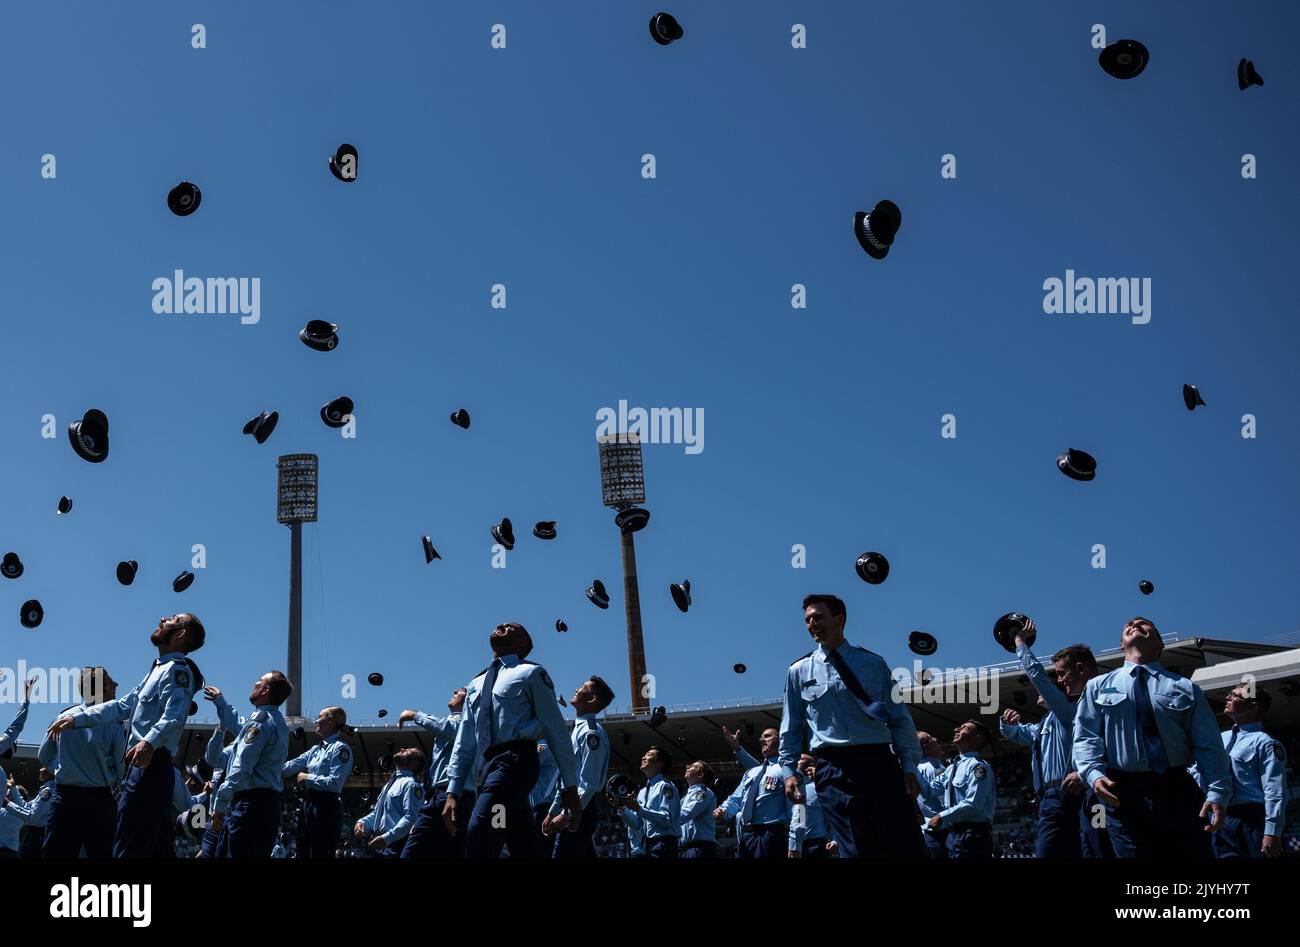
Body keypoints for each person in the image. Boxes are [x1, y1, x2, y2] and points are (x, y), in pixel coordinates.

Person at [45, 614, 205, 858]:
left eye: (173, 619)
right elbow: (120, 707)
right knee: (157, 847)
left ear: (181, 634)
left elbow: (173, 716)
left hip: (148, 764)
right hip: (145, 766)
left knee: (129, 847)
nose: (163, 618)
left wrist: (148, 742)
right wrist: (78, 720)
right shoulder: (158, 669)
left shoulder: (176, 671)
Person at [779, 594, 924, 857]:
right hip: (833, 769)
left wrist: (910, 765)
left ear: (840, 619)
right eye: (808, 620)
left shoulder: (873, 663)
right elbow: (790, 727)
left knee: (904, 844)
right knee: (855, 849)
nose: (812, 623)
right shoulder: (798, 671)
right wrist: (789, 771)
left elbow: (899, 718)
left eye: (818, 617)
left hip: (879, 762)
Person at [1073, 617, 1231, 858]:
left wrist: (1217, 792)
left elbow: (1209, 745)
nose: (1134, 624)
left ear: (1159, 644)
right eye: (1128, 625)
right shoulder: (1097, 686)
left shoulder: (1186, 688)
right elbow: (1086, 738)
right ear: (1121, 645)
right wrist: (1093, 775)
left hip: (1177, 788)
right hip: (1123, 792)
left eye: (1145, 624)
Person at [443, 623, 580, 858]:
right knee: (522, 842)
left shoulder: (531, 673)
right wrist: (452, 791)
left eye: (512, 627)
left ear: (521, 645)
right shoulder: (476, 684)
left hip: (516, 763)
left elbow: (556, 730)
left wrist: (570, 786)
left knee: (482, 829)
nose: (502, 625)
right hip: (490, 767)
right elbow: (464, 743)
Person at [38, 668, 126, 858]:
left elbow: (44, 754)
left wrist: (61, 769)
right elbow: (122, 770)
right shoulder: (114, 723)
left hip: (64, 800)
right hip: (99, 802)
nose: (116, 685)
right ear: (101, 690)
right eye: (111, 683)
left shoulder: (63, 717)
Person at [208, 671, 292, 858]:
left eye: (259, 682)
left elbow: (240, 769)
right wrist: (220, 702)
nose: (255, 683)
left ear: (266, 689)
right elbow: (239, 726)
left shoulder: (260, 723)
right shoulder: (277, 722)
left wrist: (219, 806)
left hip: (250, 805)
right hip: (269, 805)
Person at [1203, 684, 1286, 859]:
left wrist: (1272, 831)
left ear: (1252, 707)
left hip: (1252, 820)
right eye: (1228, 695)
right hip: (1221, 817)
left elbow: (1275, 791)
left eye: (1234, 696)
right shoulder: (1220, 738)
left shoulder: (1266, 743)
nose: (1227, 698)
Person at [541, 676, 615, 858]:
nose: (576, 689)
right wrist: (553, 811)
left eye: (582, 687)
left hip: (581, 807)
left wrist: (567, 814)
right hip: (573, 805)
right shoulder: (578, 729)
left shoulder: (591, 732)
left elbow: (588, 783)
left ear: (592, 699)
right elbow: (567, 777)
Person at [399, 687, 474, 858]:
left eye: (462, 690)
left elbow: (448, 728)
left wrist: (415, 714)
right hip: (446, 797)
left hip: (449, 796)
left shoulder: (467, 721)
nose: (455, 691)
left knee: (412, 852)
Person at [918, 721, 997, 858]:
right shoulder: (951, 768)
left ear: (976, 739)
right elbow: (928, 791)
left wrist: (942, 816)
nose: (956, 729)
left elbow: (973, 804)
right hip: (954, 833)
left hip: (973, 833)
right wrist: (911, 762)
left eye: (964, 728)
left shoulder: (978, 767)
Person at [282, 706, 353, 858]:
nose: (316, 721)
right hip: (309, 804)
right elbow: (289, 767)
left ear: (331, 722)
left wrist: (308, 778)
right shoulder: (315, 749)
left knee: (320, 852)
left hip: (326, 807)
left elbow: (335, 784)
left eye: (320, 717)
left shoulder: (340, 749)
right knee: (303, 850)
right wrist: (263, 768)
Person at [716, 727, 795, 858]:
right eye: (761, 737)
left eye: (768, 736)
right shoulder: (752, 772)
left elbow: (800, 808)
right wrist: (724, 809)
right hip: (748, 835)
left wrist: (796, 842)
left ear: (781, 741)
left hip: (772, 834)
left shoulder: (788, 770)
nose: (761, 740)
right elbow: (736, 799)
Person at [355, 747, 425, 857]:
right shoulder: (390, 784)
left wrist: (387, 838)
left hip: (397, 845)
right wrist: (362, 823)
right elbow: (378, 814)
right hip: (380, 844)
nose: (402, 749)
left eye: (407, 751)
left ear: (414, 763)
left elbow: (411, 818)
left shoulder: (412, 785)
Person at [616, 746, 680, 858]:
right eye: (644, 755)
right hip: (647, 845)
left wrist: (639, 809)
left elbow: (667, 819)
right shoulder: (642, 792)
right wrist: (622, 807)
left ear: (660, 764)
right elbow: (637, 824)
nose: (643, 757)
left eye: (649, 755)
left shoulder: (666, 786)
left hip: (663, 844)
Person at [3, 768, 56, 857]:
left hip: (38, 837)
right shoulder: (47, 789)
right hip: (37, 835)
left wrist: (8, 804)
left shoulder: (48, 791)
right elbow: (27, 806)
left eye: (44, 766)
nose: (40, 769)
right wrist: (13, 788)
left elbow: (33, 818)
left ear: (50, 771)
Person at [793, 753, 832, 858]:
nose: (796, 761)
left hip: (815, 844)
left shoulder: (819, 789)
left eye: (800, 759)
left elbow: (831, 815)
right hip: (792, 843)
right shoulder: (792, 787)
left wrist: (834, 839)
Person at [916, 732, 948, 858]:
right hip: (939, 830)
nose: (935, 738)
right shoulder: (935, 768)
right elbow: (945, 802)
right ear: (926, 746)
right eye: (930, 738)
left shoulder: (917, 767)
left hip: (925, 830)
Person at [678, 761, 717, 858]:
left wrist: (661, 820)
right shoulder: (687, 795)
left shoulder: (702, 792)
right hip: (687, 849)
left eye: (692, 766)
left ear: (700, 775)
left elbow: (685, 814)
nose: (687, 766)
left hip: (699, 848)